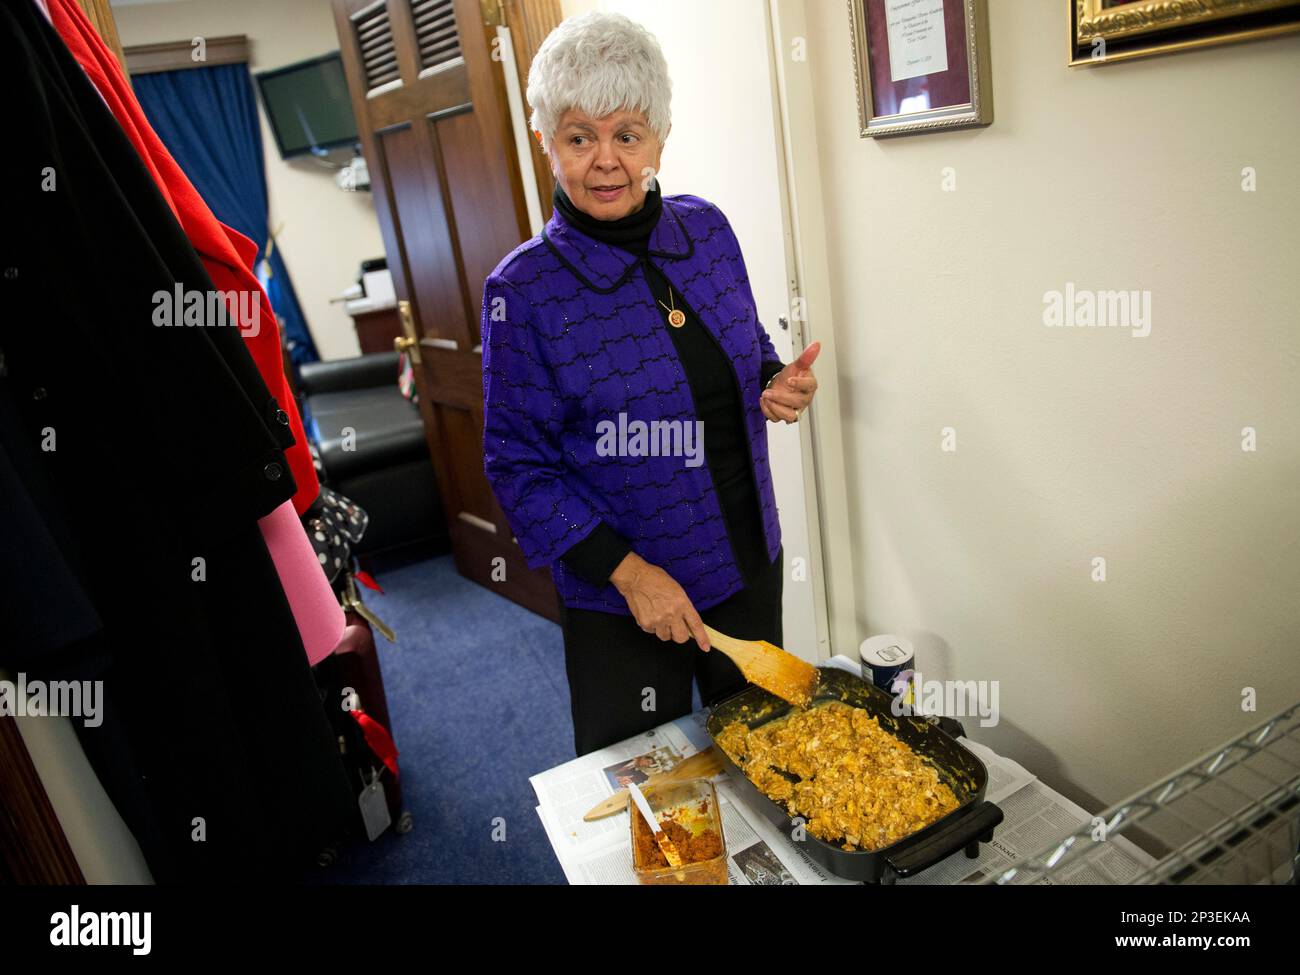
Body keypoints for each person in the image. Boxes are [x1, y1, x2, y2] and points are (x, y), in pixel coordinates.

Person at [481, 11, 819, 755]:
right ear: (547, 141)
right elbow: (518, 467)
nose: (606, 160)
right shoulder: (524, 290)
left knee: (769, 757)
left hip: (747, 560)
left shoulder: (709, 233)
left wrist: (771, 379)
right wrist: (630, 576)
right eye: (579, 136)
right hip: (622, 598)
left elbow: (745, 342)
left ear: (658, 139)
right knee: (651, 801)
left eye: (627, 135)